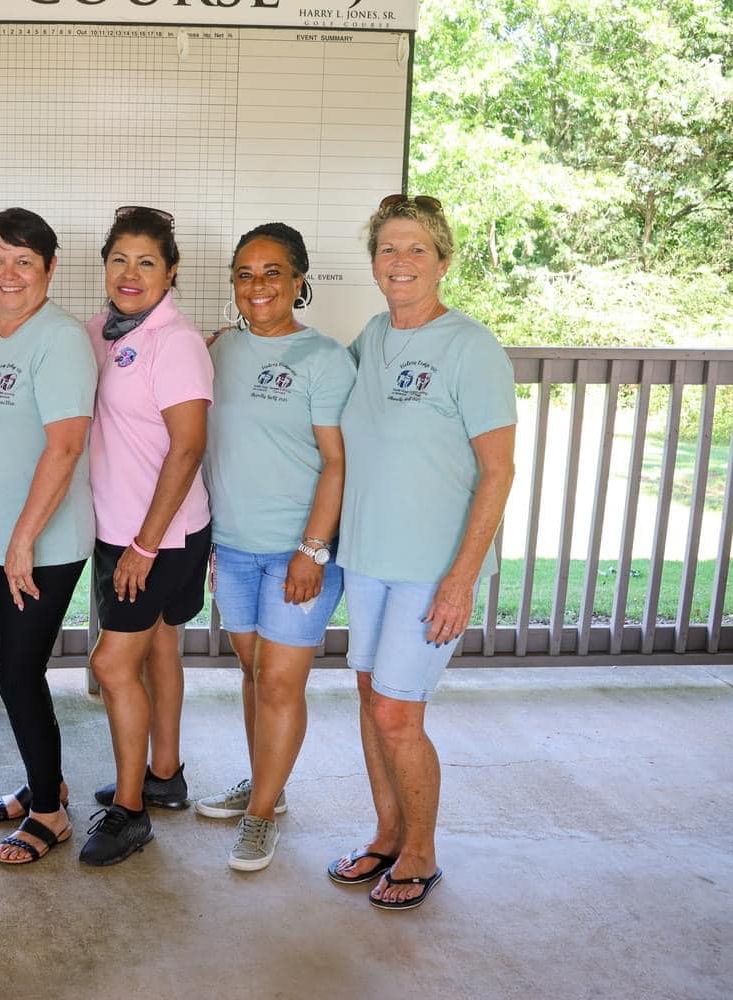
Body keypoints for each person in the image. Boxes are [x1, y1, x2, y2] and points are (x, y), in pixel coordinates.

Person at [327, 194, 515, 910]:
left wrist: (461, 581)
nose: (399, 262)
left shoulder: (471, 346)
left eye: (415, 250)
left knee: (399, 714)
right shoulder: (372, 338)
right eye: (387, 249)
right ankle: (385, 834)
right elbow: (316, 392)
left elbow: (499, 470)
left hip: (433, 570)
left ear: (443, 260)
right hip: (369, 558)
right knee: (373, 701)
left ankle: (421, 851)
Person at [195, 223, 355, 872]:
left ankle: (261, 818)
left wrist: (313, 550)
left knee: (282, 684)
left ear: (298, 281)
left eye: (271, 273)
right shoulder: (219, 350)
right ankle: (268, 783)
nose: (257, 286)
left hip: (300, 552)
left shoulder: (324, 358)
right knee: (253, 672)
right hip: (232, 548)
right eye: (244, 273)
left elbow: (337, 464)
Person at [0, 208, 96, 864]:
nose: (10, 275)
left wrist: (21, 540)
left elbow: (65, 448)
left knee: (18, 672)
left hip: (41, 545)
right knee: (10, 671)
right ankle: (47, 782)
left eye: (25, 262)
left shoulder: (61, 339)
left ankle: (49, 812)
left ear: (50, 268)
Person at [81, 206, 214, 866]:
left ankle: (130, 810)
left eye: (147, 262)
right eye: (119, 260)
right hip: (131, 529)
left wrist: (143, 545)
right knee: (161, 646)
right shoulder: (107, 331)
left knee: (112, 665)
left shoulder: (174, 339)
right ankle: (164, 772)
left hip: (157, 535)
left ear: (172, 271)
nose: (130, 274)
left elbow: (188, 449)